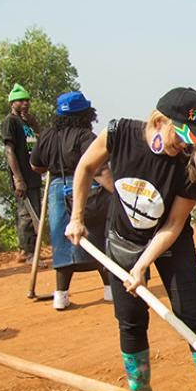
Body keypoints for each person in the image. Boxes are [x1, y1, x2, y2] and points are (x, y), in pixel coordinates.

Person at [65, 88, 196, 391]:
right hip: (122, 240)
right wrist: (77, 217)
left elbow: (174, 224)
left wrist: (143, 264)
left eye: (193, 139)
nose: (186, 144)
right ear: (160, 121)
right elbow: (85, 167)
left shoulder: (193, 164)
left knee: (192, 317)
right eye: (182, 135)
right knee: (130, 320)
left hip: (171, 246)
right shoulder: (119, 133)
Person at [30, 92, 113, 310]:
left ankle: (60, 295)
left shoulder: (47, 136)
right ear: (86, 114)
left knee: (62, 241)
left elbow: (36, 165)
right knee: (98, 238)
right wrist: (117, 192)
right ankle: (110, 290)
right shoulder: (86, 137)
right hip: (88, 188)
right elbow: (99, 170)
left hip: (57, 189)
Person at [2, 83, 44, 265]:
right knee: (27, 215)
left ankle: (31, 250)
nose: (25, 103)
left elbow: (40, 140)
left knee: (36, 214)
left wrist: (33, 122)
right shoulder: (10, 122)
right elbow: (9, 151)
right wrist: (18, 179)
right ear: (13, 103)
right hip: (22, 176)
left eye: (27, 100)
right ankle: (27, 252)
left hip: (33, 176)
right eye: (21, 101)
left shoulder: (27, 122)